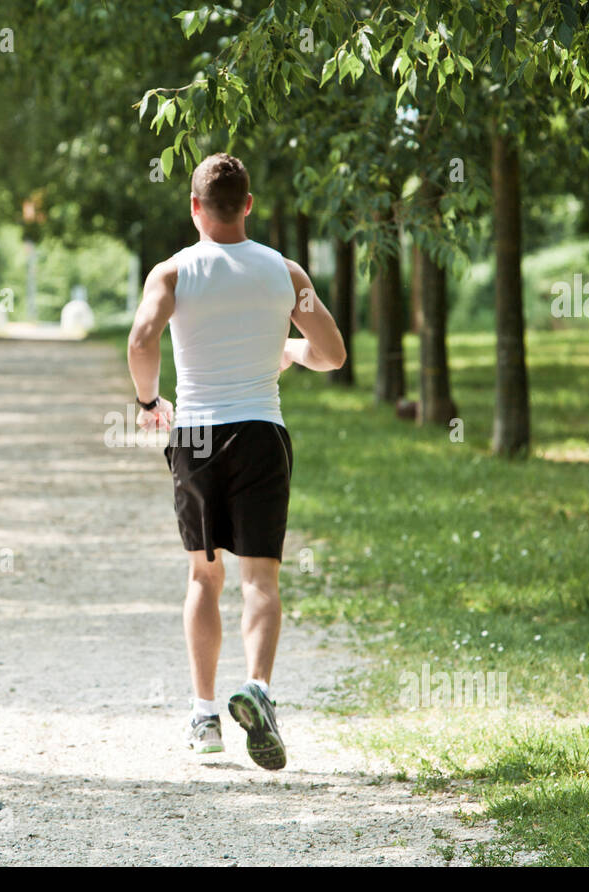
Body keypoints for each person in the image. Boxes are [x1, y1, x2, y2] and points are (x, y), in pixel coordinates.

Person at [127, 153, 346, 770]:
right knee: (262, 582)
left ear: (194, 207)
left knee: (204, 575)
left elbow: (142, 340)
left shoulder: (171, 273)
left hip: (195, 434)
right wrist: (288, 351)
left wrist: (148, 400)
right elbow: (332, 354)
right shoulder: (285, 271)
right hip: (260, 431)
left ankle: (203, 717)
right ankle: (259, 689)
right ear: (249, 205)